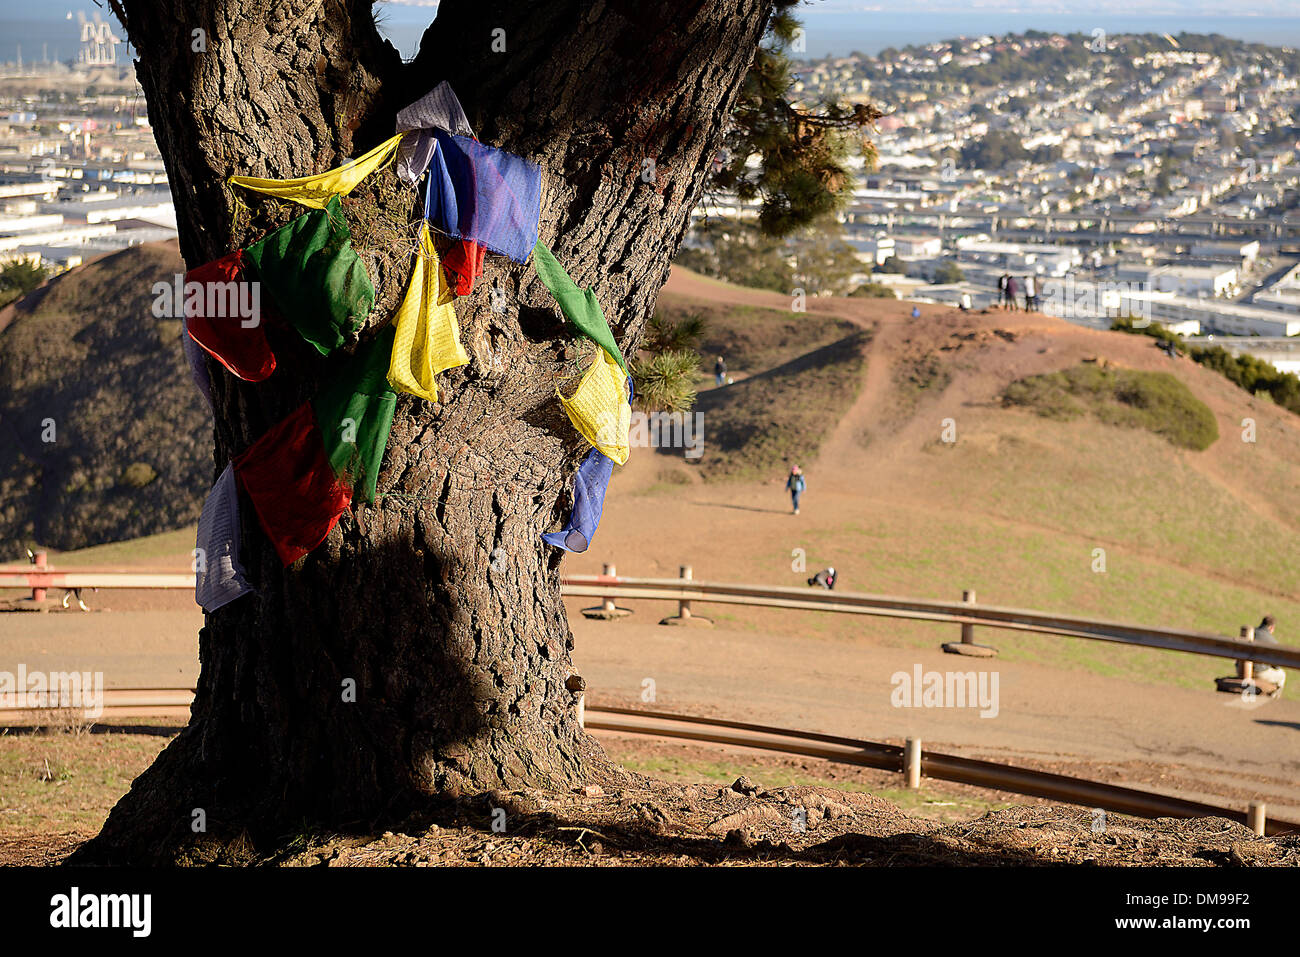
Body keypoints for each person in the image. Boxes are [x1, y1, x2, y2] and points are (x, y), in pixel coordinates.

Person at [1251, 615, 1286, 697]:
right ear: (1271, 628)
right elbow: (1276, 665)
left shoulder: (1251, 632)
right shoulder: (1272, 641)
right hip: (1258, 672)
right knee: (1282, 675)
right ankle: (1273, 699)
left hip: (1241, 668)